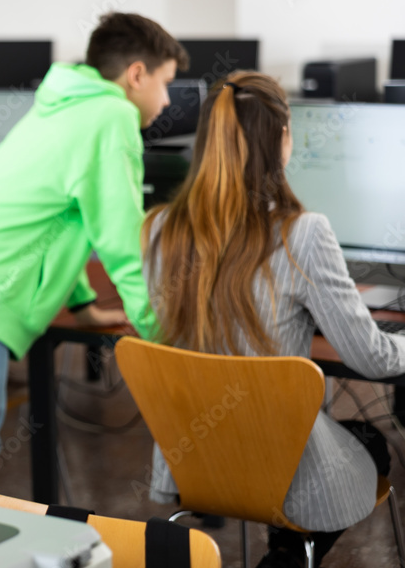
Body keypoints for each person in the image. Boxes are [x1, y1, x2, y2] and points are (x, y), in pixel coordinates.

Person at [0, 12, 188, 497]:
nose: (166, 102)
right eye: (165, 84)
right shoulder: (111, 115)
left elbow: (63, 218)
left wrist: (83, 305)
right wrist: (160, 335)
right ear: (136, 74)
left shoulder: (64, 103)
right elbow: (121, 240)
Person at [142, 71, 403, 568]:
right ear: (282, 138)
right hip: (275, 461)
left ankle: (283, 552)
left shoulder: (160, 229)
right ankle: (285, 557)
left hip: (196, 459)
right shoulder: (301, 233)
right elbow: (370, 358)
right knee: (372, 442)